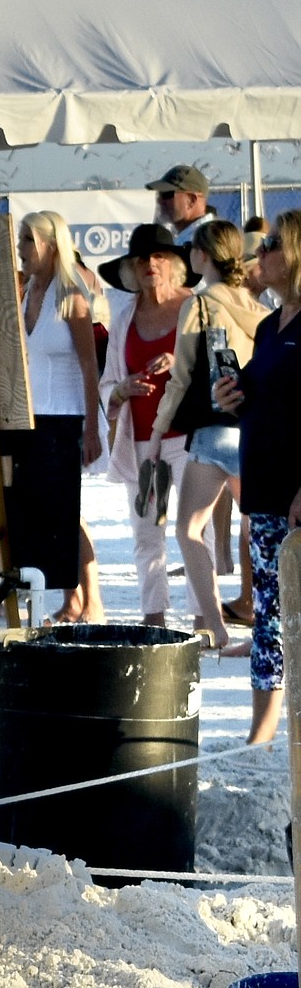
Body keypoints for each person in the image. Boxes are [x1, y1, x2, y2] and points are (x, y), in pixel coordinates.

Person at [141, 221, 267, 652]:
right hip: (254, 433)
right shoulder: (260, 308)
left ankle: (215, 626)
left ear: (202, 256)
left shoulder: (198, 305)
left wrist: (159, 430)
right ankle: (268, 627)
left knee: (188, 530)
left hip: (213, 434)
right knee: (259, 531)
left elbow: (180, 378)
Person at [217, 208, 301, 744]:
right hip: (264, 486)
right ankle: (263, 733)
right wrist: (228, 398)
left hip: (294, 491)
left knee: (286, 612)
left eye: (270, 244)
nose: (259, 253)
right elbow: (255, 397)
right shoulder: (271, 324)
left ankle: (270, 733)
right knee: (269, 611)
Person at [98, 225, 195, 628]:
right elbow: (107, 383)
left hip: (188, 437)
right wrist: (121, 389)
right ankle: (153, 618)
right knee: (146, 535)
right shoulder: (124, 318)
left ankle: (202, 616)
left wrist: (181, 363)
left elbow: (220, 364)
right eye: (142, 260)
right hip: (140, 440)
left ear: (174, 264)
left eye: (159, 257)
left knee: (194, 533)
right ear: (132, 271)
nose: (151, 265)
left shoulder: (195, 308)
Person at [15, 211, 106, 621]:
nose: (20, 248)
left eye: (27, 240)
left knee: (66, 512)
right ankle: (73, 599)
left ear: (51, 245)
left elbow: (90, 366)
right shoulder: (28, 290)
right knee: (50, 512)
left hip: (68, 416)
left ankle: (88, 601)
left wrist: (90, 429)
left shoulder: (71, 294)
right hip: (34, 419)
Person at [148, 164, 217, 241]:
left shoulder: (205, 242)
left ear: (191, 200)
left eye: (166, 194)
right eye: (158, 195)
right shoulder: (187, 238)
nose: (160, 201)